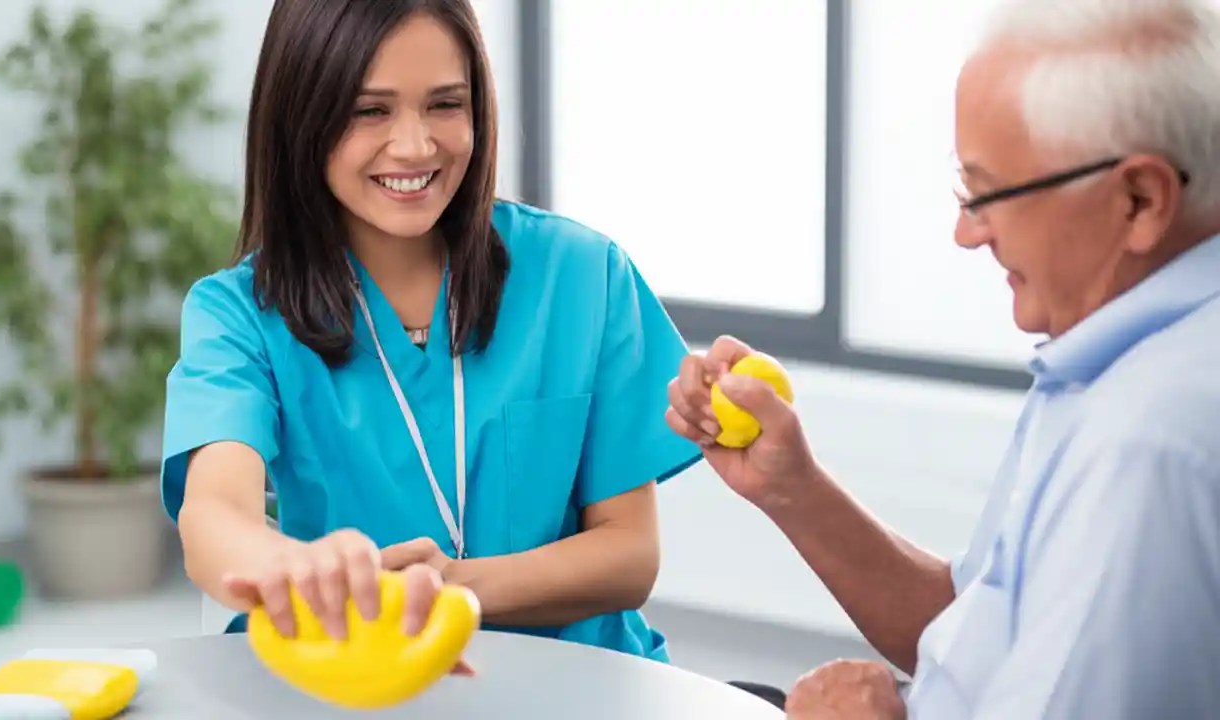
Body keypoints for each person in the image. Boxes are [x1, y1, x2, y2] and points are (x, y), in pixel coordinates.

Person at [668, 0, 1220, 717]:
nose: (966, 233)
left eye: (988, 194)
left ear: (1140, 199)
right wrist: (791, 486)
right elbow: (977, 633)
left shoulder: (1149, 440)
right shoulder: (1104, 357)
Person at [161, 0, 700, 666]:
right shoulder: (239, 312)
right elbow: (215, 516)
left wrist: (446, 589)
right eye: (369, 110)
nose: (416, 146)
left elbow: (628, 556)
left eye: (445, 104)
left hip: (580, 685)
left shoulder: (584, 275)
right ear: (300, 115)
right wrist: (299, 574)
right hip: (354, 679)